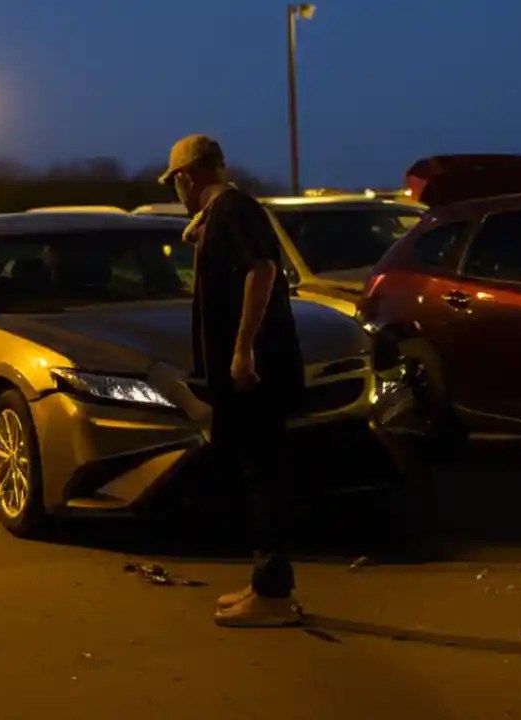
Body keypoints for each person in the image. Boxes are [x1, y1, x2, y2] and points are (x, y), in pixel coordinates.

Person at [159, 134, 306, 627]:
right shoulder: (225, 213)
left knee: (263, 475)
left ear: (187, 176)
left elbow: (261, 270)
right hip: (250, 372)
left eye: (177, 182)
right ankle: (265, 583)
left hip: (256, 372)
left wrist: (243, 349)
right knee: (255, 472)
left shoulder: (234, 211)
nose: (178, 192)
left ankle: (273, 595)